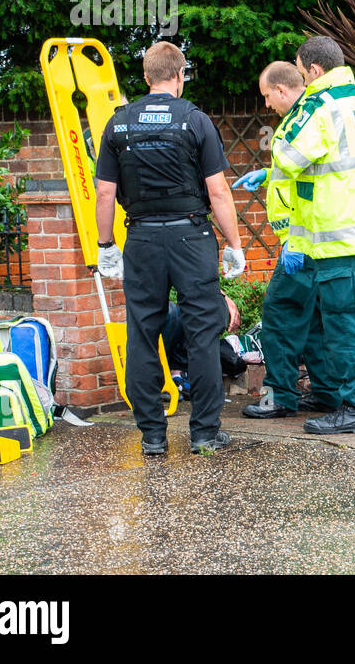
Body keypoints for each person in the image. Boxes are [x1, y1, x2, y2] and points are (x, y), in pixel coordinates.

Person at [94, 41, 246, 455]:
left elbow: (105, 194)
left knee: (143, 331)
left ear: (146, 77)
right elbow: (218, 191)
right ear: (180, 75)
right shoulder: (195, 121)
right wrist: (234, 245)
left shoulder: (118, 124)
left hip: (141, 239)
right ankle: (204, 433)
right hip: (191, 238)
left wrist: (106, 246)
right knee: (202, 331)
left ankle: (153, 436)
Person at [268, 35, 355, 435]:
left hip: (335, 236)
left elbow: (287, 154)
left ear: (314, 70)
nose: (304, 81)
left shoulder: (320, 107)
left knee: (344, 323)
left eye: (303, 73)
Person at [235, 61, 341, 418]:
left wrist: (295, 239)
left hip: (302, 242)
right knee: (311, 318)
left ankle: (279, 397)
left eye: (267, 95)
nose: (267, 104)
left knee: (279, 314)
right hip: (315, 242)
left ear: (281, 89)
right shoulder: (310, 116)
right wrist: (269, 175)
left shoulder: (301, 119)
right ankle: (327, 392)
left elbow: (309, 186)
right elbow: (306, 172)